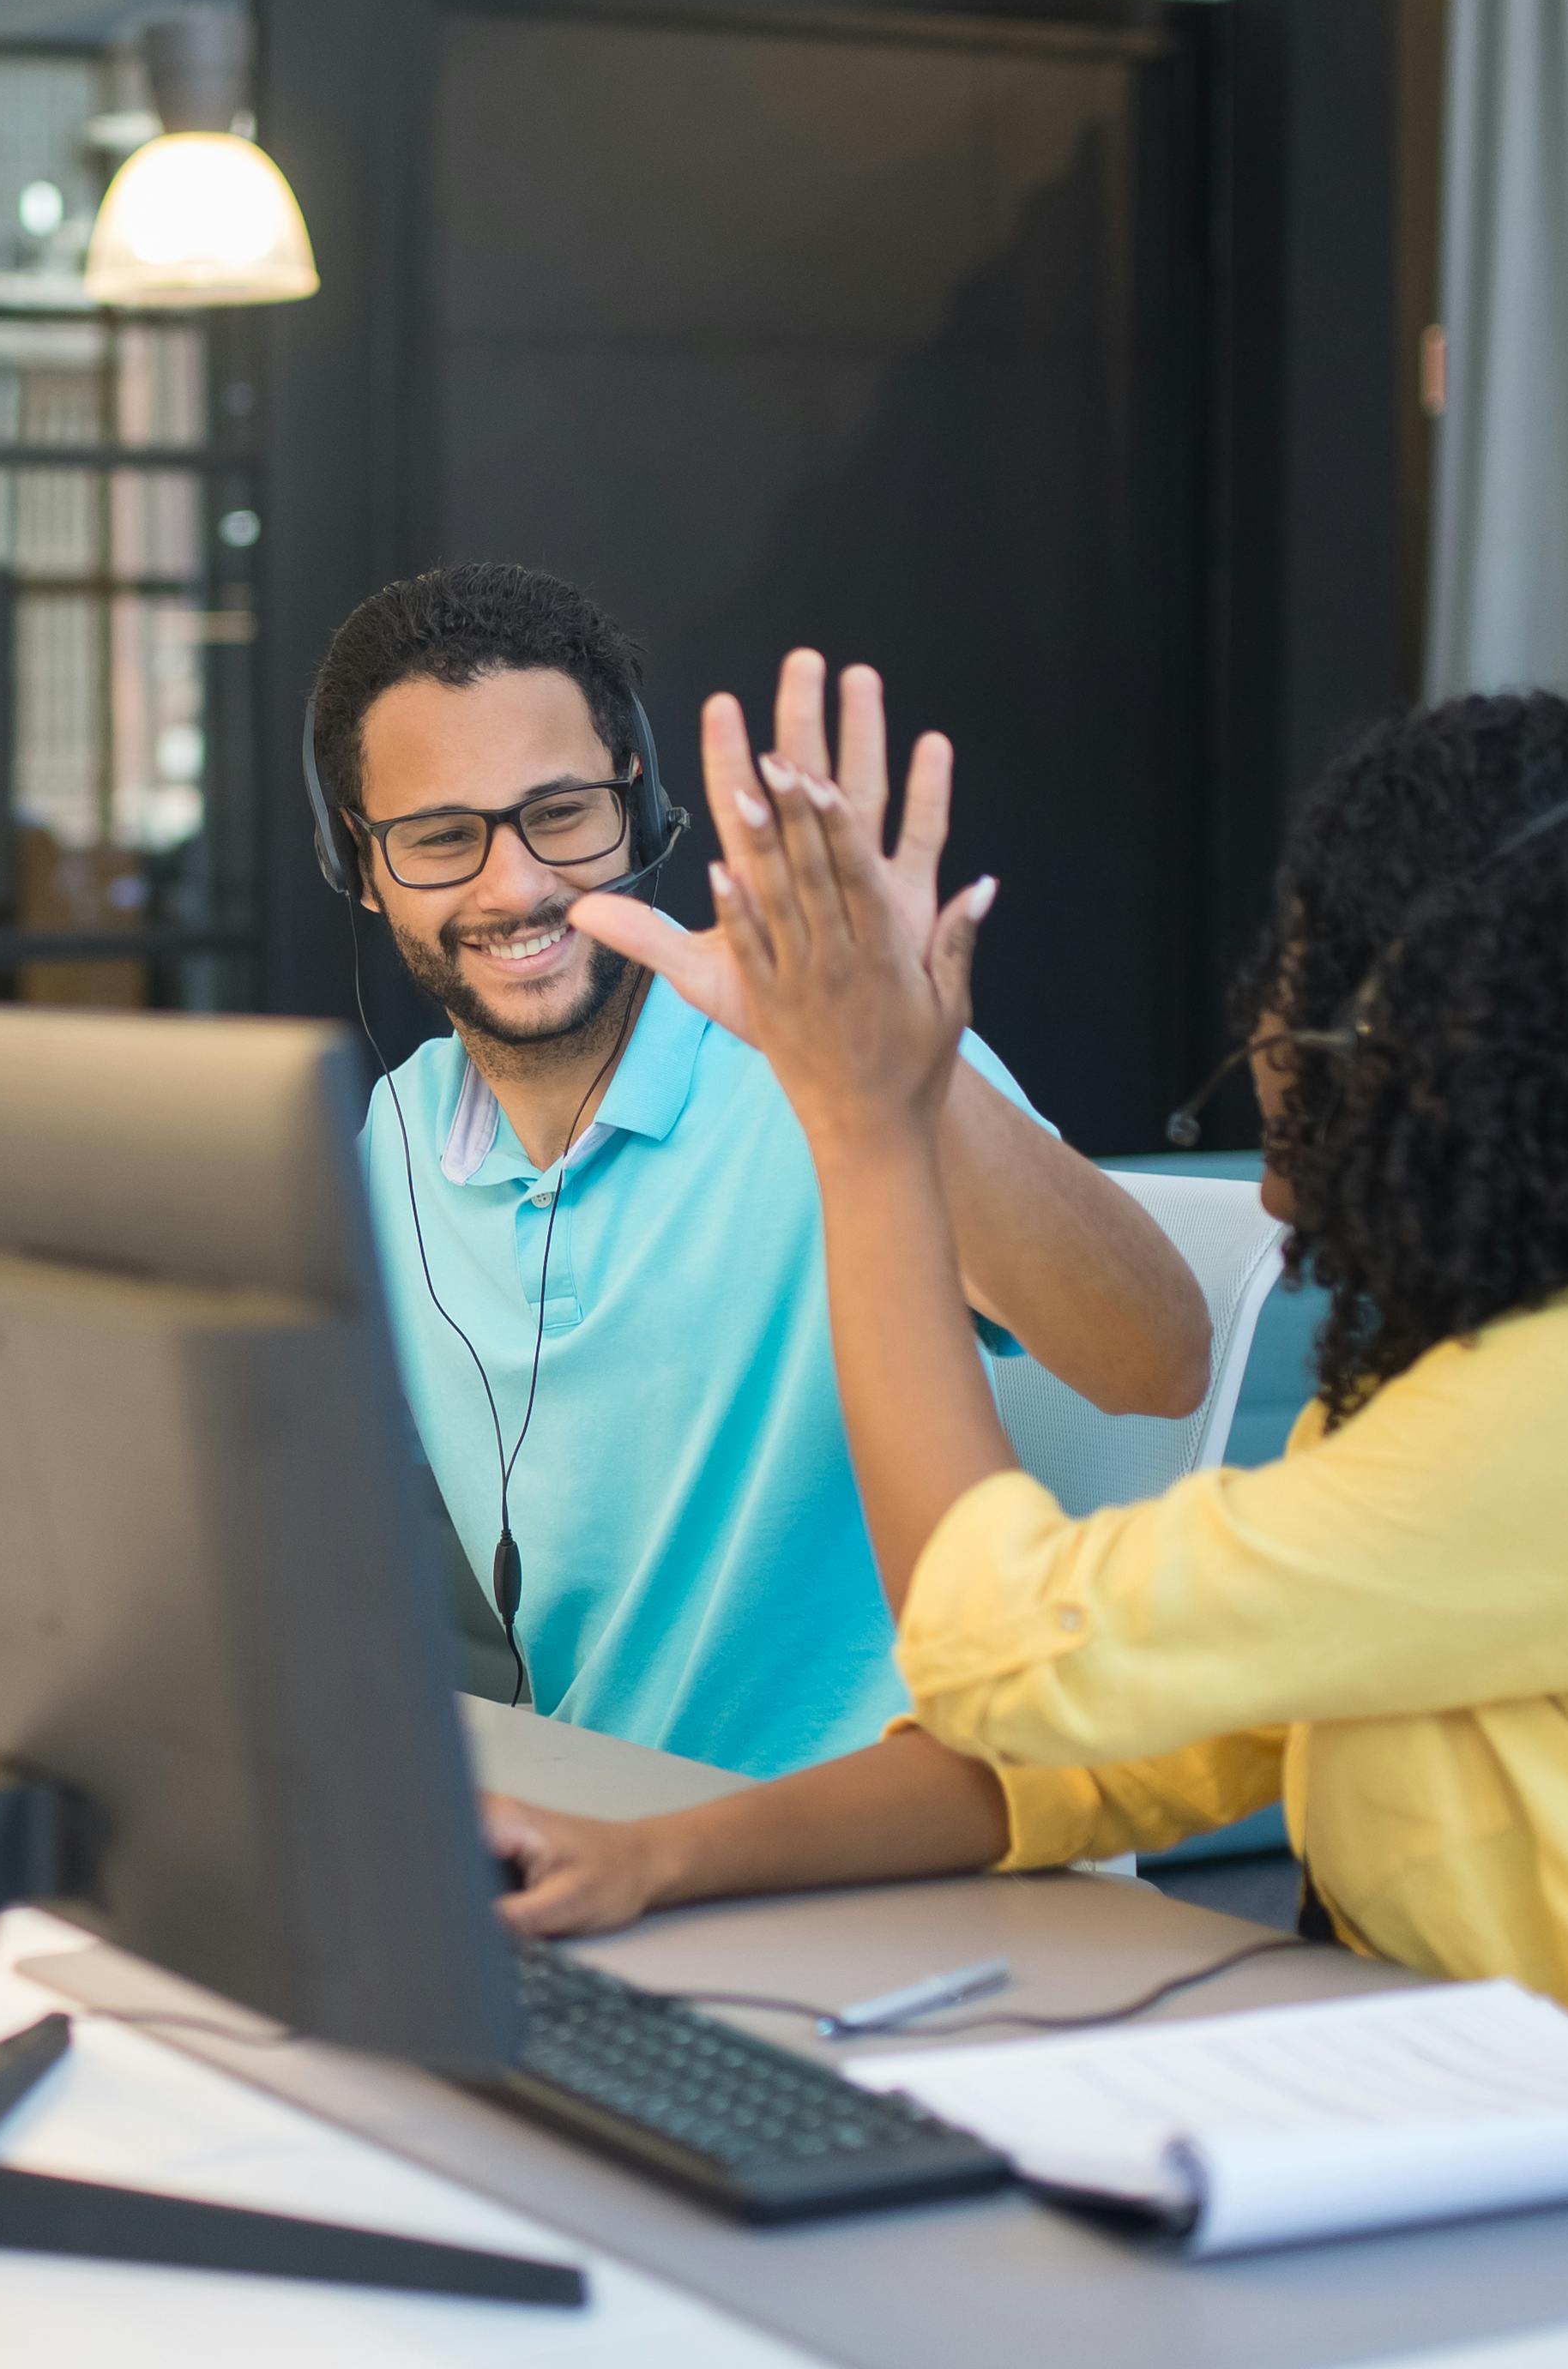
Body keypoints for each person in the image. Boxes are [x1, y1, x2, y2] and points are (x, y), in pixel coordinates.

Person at [499, 684, 1568, 2132]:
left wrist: (865, 1123)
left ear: (1456, 1037)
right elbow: (1083, 1756)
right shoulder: (1457, 1394)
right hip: (1542, 2145)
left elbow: (1002, 1653)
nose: (1268, 1021)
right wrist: (651, 1860)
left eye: (1309, 963)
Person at [310, 564, 1202, 1779]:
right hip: (624, 1849)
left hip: (929, 1859)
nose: (513, 884)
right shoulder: (396, 1145)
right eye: (439, 838)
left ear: (642, 807)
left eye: (559, 811)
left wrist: (895, 1076)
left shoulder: (831, 1059)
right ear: (358, 866)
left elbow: (1157, 1361)